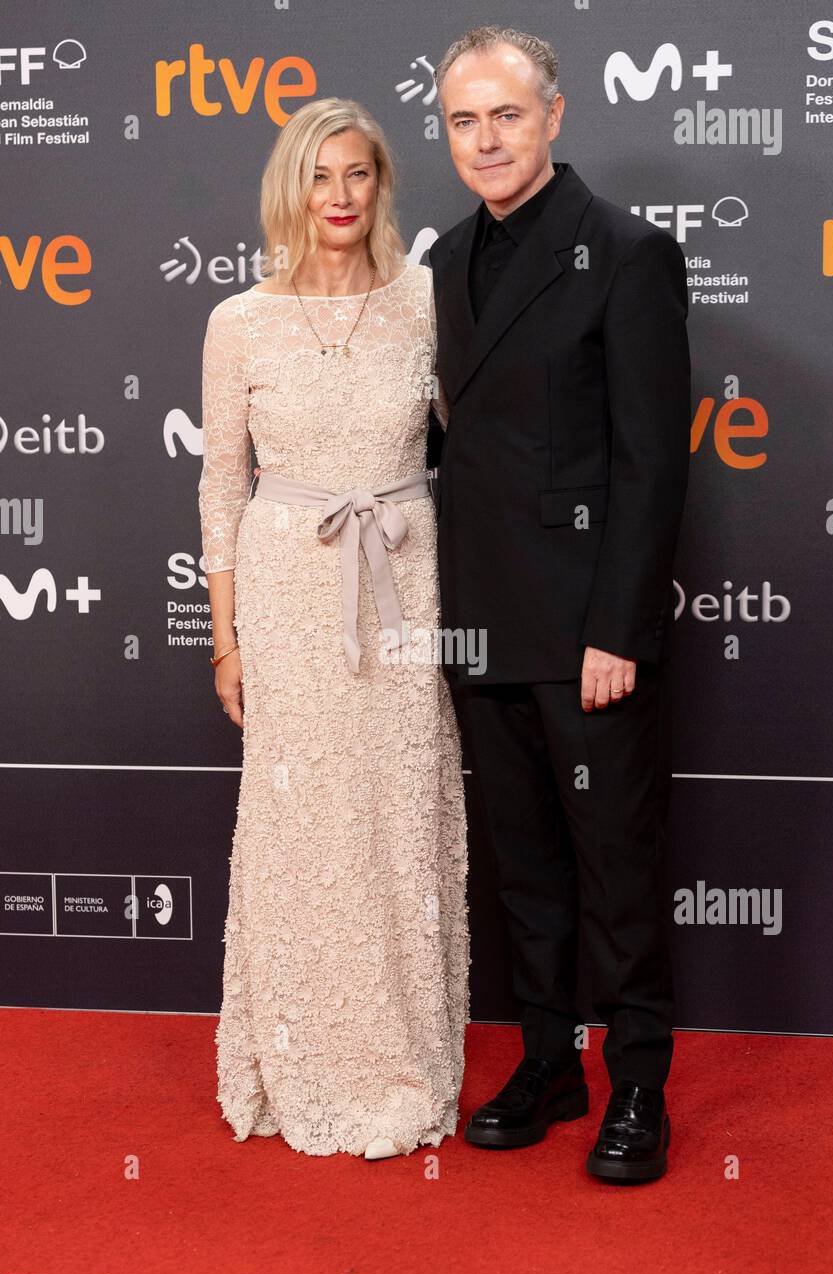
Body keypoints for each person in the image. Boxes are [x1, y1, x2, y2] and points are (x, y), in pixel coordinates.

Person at [429, 27, 691, 1183]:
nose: (483, 140)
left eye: (505, 116)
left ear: (553, 117)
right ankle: (549, 1060)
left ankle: (637, 1080)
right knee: (522, 860)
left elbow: (649, 462)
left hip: (582, 626)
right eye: (460, 121)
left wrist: (614, 630)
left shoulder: (625, 253)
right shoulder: (437, 260)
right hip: (478, 611)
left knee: (612, 859)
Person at [198, 97, 468, 1160]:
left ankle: (401, 1055)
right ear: (290, 190)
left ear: (381, 186)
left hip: (405, 578)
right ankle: (301, 1052)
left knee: (397, 810)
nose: (341, 197)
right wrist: (225, 638)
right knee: (301, 821)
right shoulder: (239, 320)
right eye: (320, 177)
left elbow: (482, 439)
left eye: (358, 175)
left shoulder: (425, 302)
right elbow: (222, 486)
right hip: (288, 591)